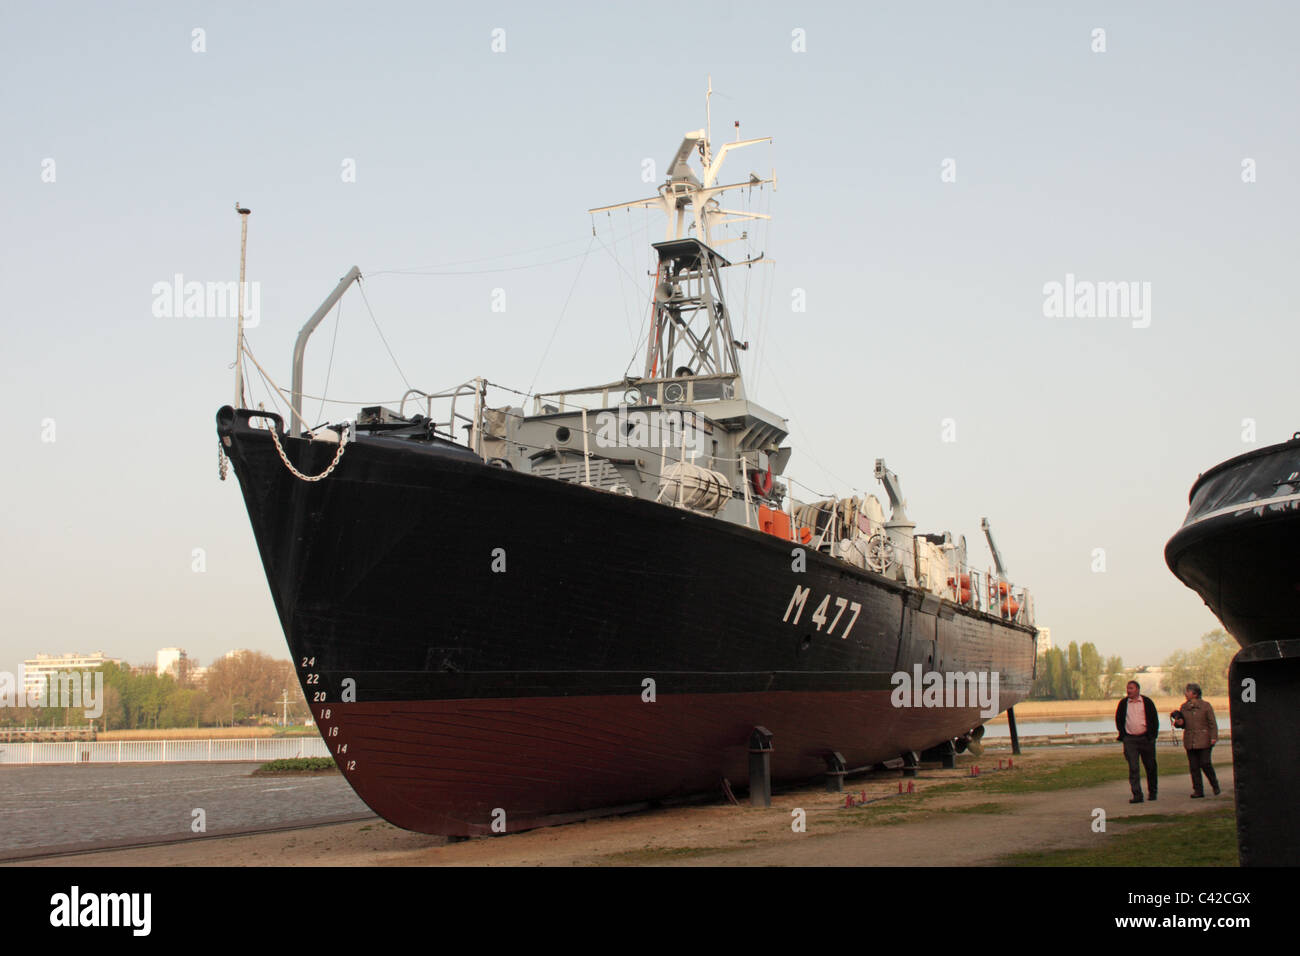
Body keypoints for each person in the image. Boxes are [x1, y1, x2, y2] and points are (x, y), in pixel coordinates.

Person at [1171, 683, 1220, 798]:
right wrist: (1179, 723)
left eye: (1187, 691)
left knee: (1205, 763)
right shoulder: (1184, 707)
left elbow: (1212, 723)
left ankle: (1214, 784)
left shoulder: (1206, 706)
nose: (1185, 693)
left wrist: (1213, 737)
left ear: (1195, 693)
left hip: (1204, 740)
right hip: (1190, 741)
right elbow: (1183, 724)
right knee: (1194, 766)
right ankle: (1198, 790)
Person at [1115, 680, 1159, 803]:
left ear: (1138, 689)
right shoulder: (1123, 703)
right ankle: (1137, 795)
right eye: (1128, 688)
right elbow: (1119, 719)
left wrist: (1152, 736)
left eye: (1131, 688)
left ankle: (1153, 792)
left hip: (1146, 739)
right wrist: (1123, 735)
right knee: (1133, 767)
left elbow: (1154, 720)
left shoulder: (1147, 702)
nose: (1129, 690)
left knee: (1150, 766)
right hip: (1130, 740)